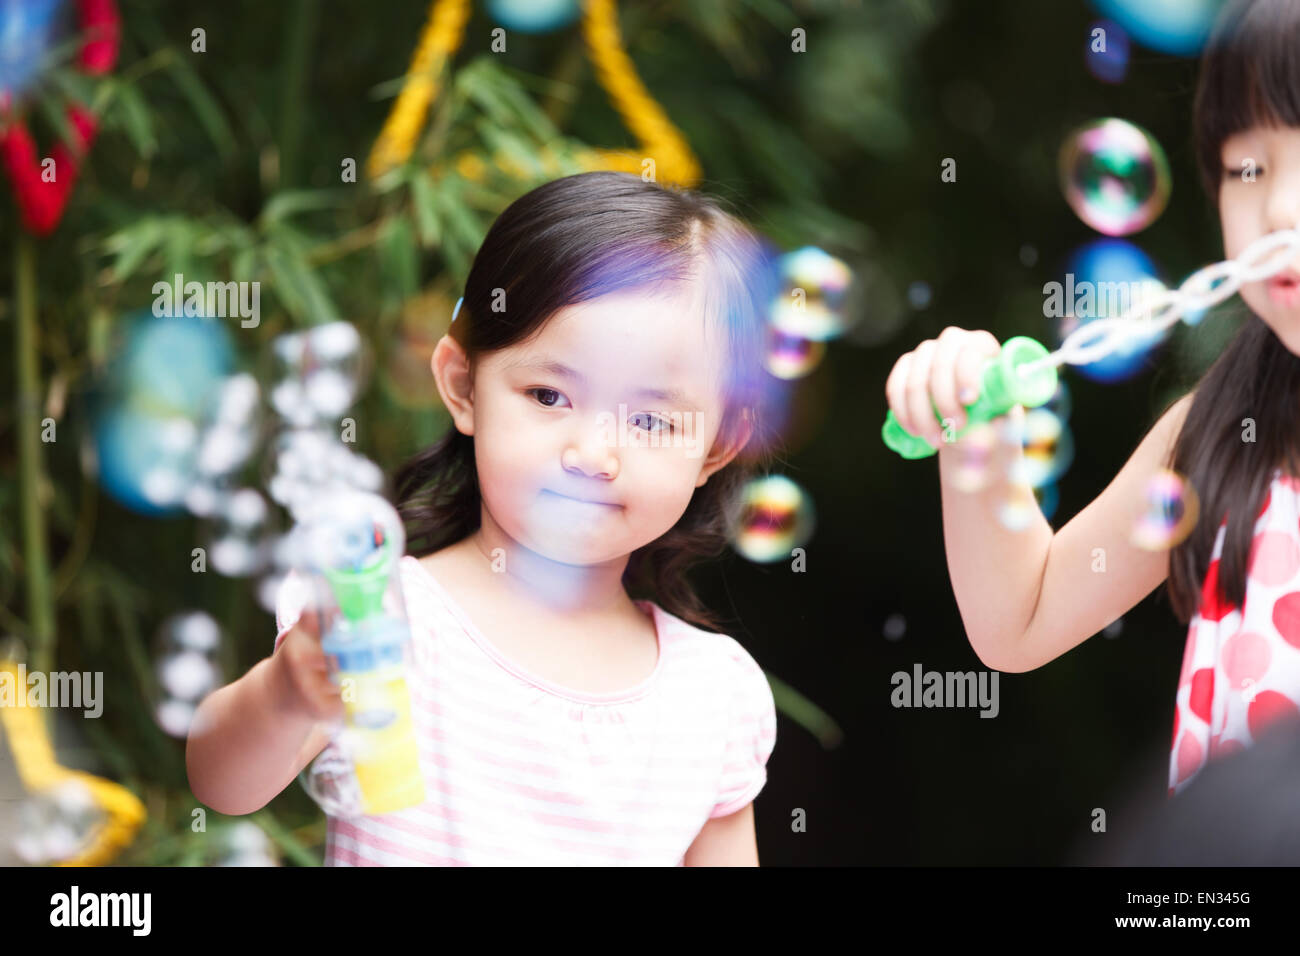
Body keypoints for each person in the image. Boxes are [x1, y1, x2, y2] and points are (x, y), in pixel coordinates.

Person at [187, 171, 780, 865]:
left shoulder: (712, 696)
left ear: (716, 445)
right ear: (464, 386)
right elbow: (223, 784)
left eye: (649, 417)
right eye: (551, 395)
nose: (591, 453)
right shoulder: (386, 616)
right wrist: (286, 693)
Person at [882, 0, 1300, 800]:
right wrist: (978, 432)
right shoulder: (1220, 428)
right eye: (1248, 168)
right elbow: (1023, 619)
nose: (1279, 211)